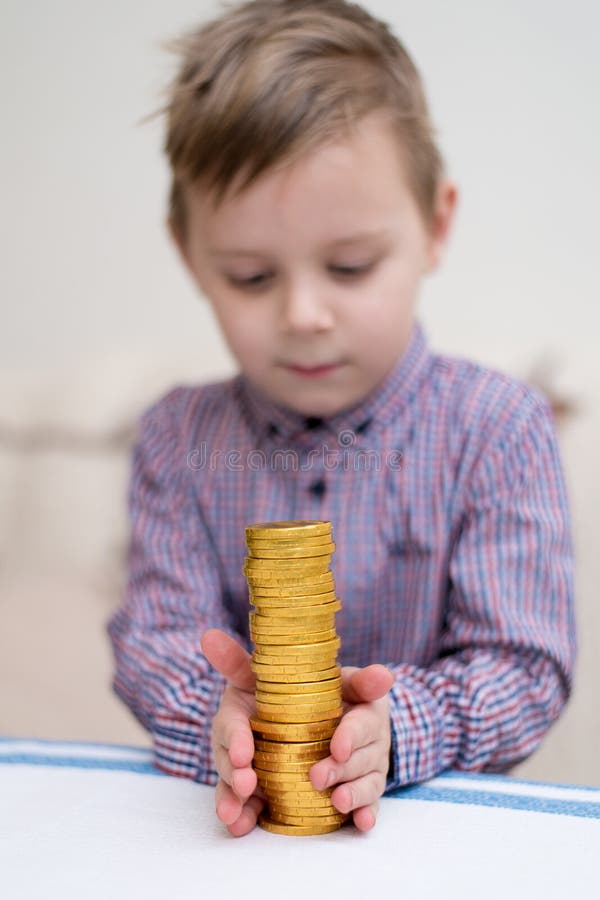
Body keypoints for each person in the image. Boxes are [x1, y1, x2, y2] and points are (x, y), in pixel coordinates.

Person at [107, 0, 576, 838]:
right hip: (238, 845)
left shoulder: (499, 426)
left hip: (435, 837)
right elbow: (152, 642)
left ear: (434, 226)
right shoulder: (177, 438)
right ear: (191, 257)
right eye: (251, 277)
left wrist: (399, 728)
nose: (305, 313)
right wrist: (222, 719)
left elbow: (525, 668)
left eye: (350, 266)